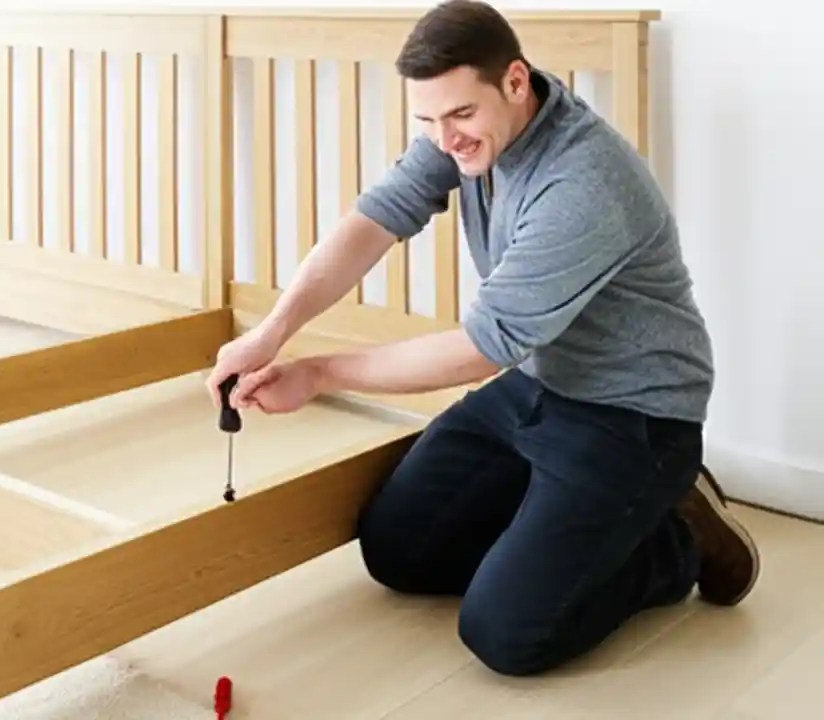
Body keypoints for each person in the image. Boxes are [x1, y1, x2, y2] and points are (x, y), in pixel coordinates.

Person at [205, 0, 758, 677]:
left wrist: (318, 374)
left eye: (460, 115)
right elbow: (375, 219)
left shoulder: (584, 182)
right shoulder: (465, 131)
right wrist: (270, 332)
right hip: (538, 386)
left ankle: (674, 541)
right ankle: (569, 527)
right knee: (397, 549)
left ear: (516, 82)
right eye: (428, 121)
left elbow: (479, 348)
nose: (446, 139)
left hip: (633, 416)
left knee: (506, 633)